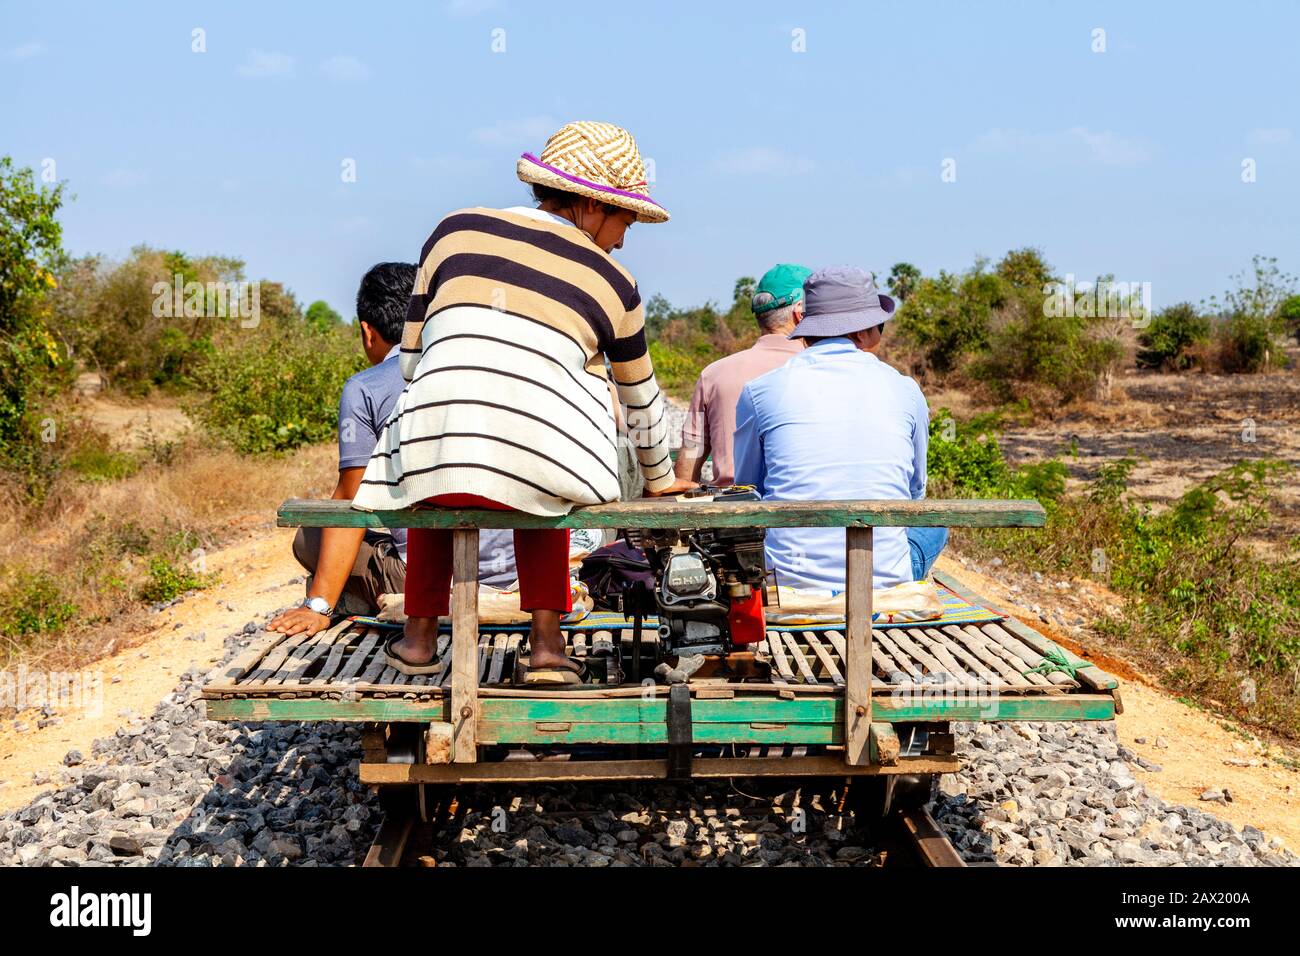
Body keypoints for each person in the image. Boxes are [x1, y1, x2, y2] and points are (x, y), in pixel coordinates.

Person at [354, 121, 695, 683]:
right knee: (546, 458)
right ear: (590, 205)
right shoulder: (615, 282)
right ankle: (545, 646)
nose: (624, 238)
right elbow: (640, 399)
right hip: (541, 470)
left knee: (445, 437)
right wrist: (658, 479)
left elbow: (411, 358)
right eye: (624, 219)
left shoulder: (454, 231)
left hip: (428, 461)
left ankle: (417, 640)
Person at [268, 263, 518, 638]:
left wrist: (317, 605)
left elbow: (353, 497)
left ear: (368, 332)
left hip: (425, 581)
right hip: (514, 572)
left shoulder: (365, 387)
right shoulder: (487, 369)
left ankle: (355, 600)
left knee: (311, 535)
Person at [733, 265, 947, 592]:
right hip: (882, 584)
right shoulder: (905, 390)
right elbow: (915, 493)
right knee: (935, 525)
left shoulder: (760, 391)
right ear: (861, 332)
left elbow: (748, 492)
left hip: (791, 582)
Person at [675, 264, 809, 487]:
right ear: (800, 313)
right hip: (802, 516)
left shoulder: (713, 374)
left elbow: (689, 459)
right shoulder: (823, 371)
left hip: (731, 514)